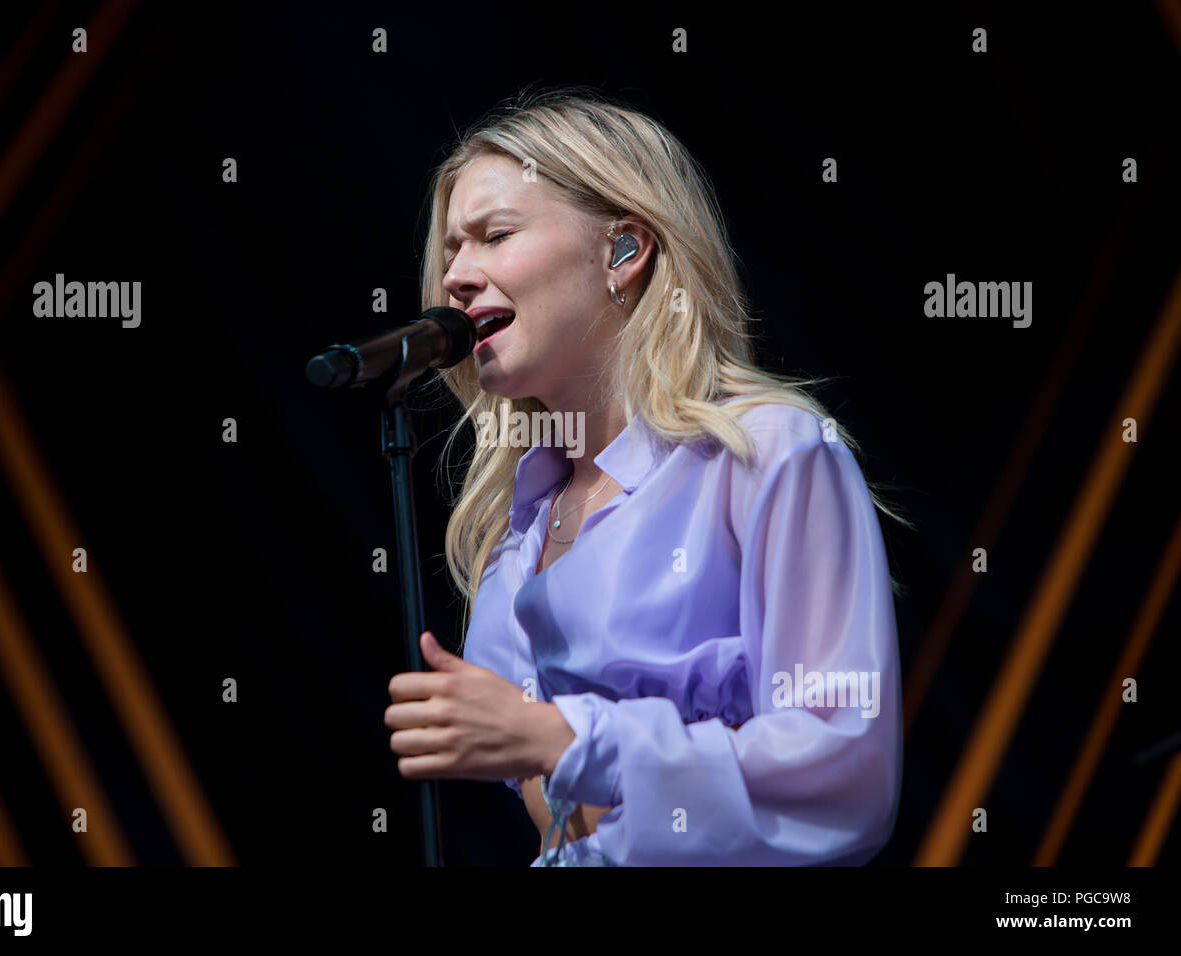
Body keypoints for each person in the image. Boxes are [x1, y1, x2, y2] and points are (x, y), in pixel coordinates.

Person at [383, 86, 911, 866]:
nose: (456, 277)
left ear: (624, 251)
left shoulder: (767, 452)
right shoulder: (515, 526)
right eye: (451, 250)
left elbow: (844, 765)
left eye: (493, 235)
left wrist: (566, 738)